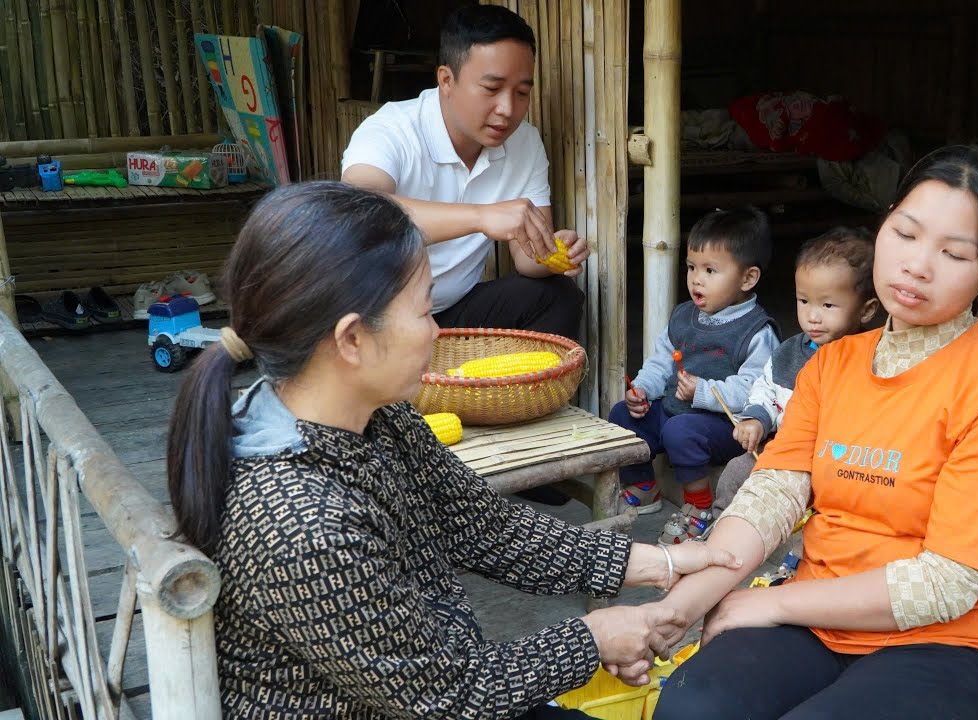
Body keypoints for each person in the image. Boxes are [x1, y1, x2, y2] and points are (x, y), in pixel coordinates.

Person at [165, 182, 739, 719]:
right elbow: (448, 698)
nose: (438, 331)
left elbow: (483, 525)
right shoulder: (300, 524)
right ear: (352, 339)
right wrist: (594, 638)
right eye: (424, 310)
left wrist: (660, 564)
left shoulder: (378, 416)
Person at [652, 146, 978, 720]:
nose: (918, 266)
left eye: (953, 253)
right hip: (819, 619)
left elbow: (946, 584)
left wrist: (772, 605)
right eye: (906, 234)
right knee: (691, 708)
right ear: (884, 225)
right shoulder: (832, 364)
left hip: (954, 642)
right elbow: (773, 494)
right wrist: (672, 612)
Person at [341, 4, 586, 341]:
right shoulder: (391, 130)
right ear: (446, 80)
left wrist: (554, 252)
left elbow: (526, 260)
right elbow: (360, 215)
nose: (507, 109)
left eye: (522, 92)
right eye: (492, 89)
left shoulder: (525, 143)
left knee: (557, 296)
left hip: (451, 309)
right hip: (377, 317)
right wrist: (480, 217)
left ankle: (526, 382)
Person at [609, 206, 780, 545]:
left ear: (748, 278)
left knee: (680, 431)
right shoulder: (684, 316)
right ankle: (643, 486)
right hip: (677, 412)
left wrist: (704, 391)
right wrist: (643, 389)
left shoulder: (757, 332)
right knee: (621, 415)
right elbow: (660, 362)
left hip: (724, 427)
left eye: (710, 270)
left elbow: (756, 389)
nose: (696, 279)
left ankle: (698, 507)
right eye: (691, 267)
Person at [713, 226, 880, 522]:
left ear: (866, 310)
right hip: (783, 450)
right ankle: (722, 526)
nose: (812, 316)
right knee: (736, 472)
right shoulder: (788, 352)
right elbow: (766, 389)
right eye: (804, 301)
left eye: (827, 305)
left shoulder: (871, 358)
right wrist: (756, 419)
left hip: (839, 462)